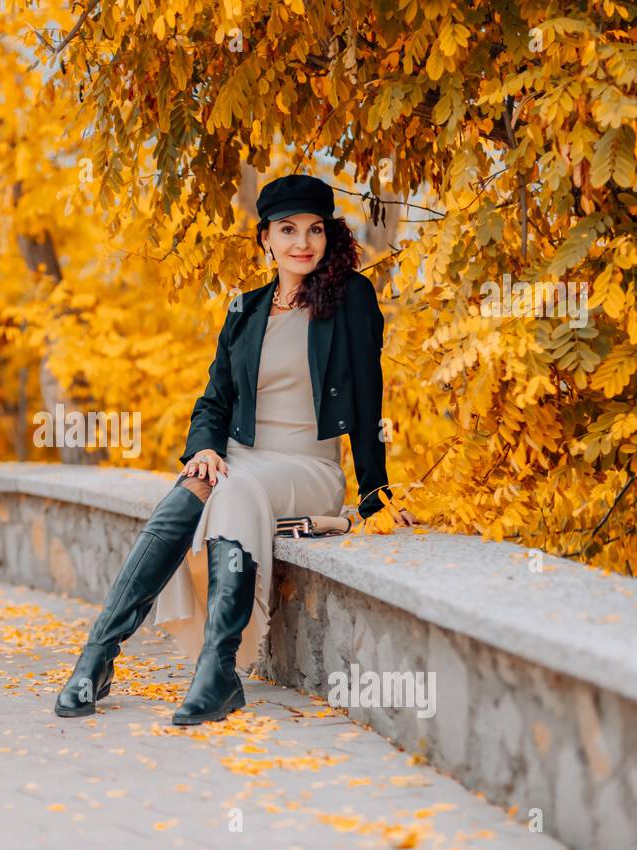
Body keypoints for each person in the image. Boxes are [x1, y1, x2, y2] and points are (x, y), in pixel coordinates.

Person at [54, 173, 415, 726]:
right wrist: (204, 448)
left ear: (328, 235)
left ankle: (217, 666)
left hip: (308, 466)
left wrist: (376, 495)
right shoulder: (244, 310)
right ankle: (99, 657)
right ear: (265, 238)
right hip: (244, 461)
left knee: (234, 485)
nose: (303, 242)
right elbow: (214, 402)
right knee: (199, 482)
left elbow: (370, 400)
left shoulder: (351, 300)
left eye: (315, 229)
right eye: (288, 229)